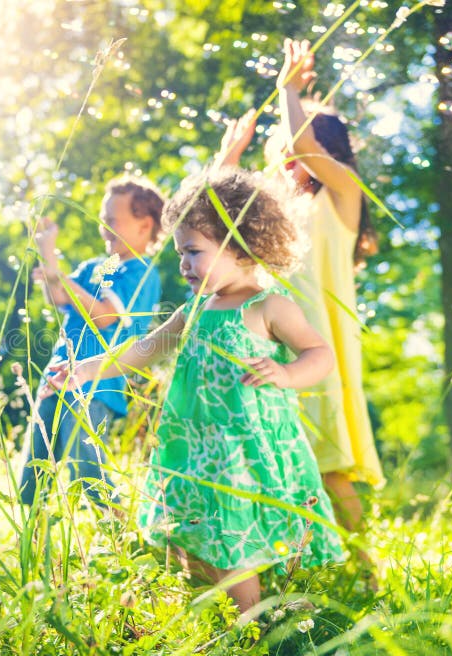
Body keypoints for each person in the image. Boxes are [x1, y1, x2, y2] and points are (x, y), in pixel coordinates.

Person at [44, 167, 344, 613]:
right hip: (196, 446)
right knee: (195, 534)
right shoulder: (194, 308)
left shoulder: (268, 307)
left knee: (235, 539)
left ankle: (252, 625)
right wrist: (88, 369)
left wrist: (287, 373)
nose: (183, 264)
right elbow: (145, 348)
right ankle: (217, 609)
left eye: (193, 251)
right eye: (181, 252)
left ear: (239, 246)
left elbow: (319, 354)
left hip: (245, 449)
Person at [218, 39, 385, 541]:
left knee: (328, 465)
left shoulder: (343, 195)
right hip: (269, 342)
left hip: (318, 349)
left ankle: (365, 566)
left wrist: (287, 90)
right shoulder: (274, 218)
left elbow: (304, 147)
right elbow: (215, 222)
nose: (288, 163)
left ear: (327, 153)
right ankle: (294, 561)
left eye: (296, 153)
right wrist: (229, 158)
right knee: (267, 461)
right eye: (281, 157)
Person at [18, 175, 164, 507]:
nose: (104, 228)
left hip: (95, 385)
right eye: (102, 219)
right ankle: (31, 529)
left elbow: (104, 316)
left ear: (144, 226)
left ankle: (116, 524)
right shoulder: (96, 266)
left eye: (113, 220)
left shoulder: (140, 272)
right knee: (34, 468)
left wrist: (61, 278)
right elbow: (58, 296)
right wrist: (46, 251)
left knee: (87, 469)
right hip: (57, 375)